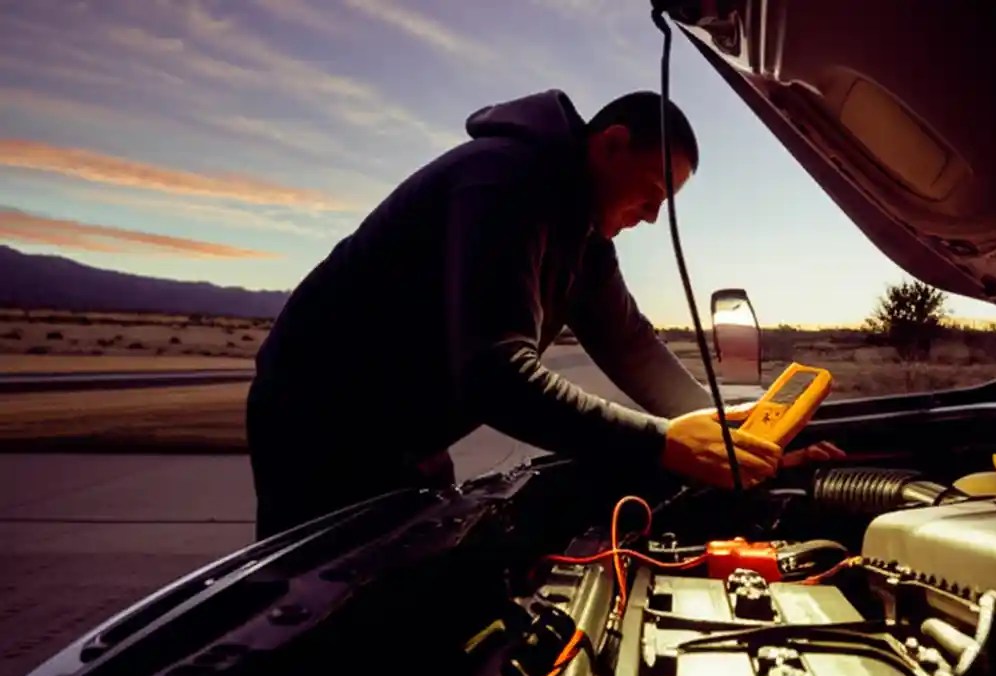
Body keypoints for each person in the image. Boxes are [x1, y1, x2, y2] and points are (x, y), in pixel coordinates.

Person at [246, 89, 840, 540]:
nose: (655, 217)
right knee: (314, 637)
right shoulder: (504, 180)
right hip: (319, 427)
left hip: (406, 440)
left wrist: (724, 436)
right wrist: (666, 444)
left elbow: (630, 345)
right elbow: (495, 374)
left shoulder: (582, 234)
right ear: (610, 144)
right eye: (653, 191)